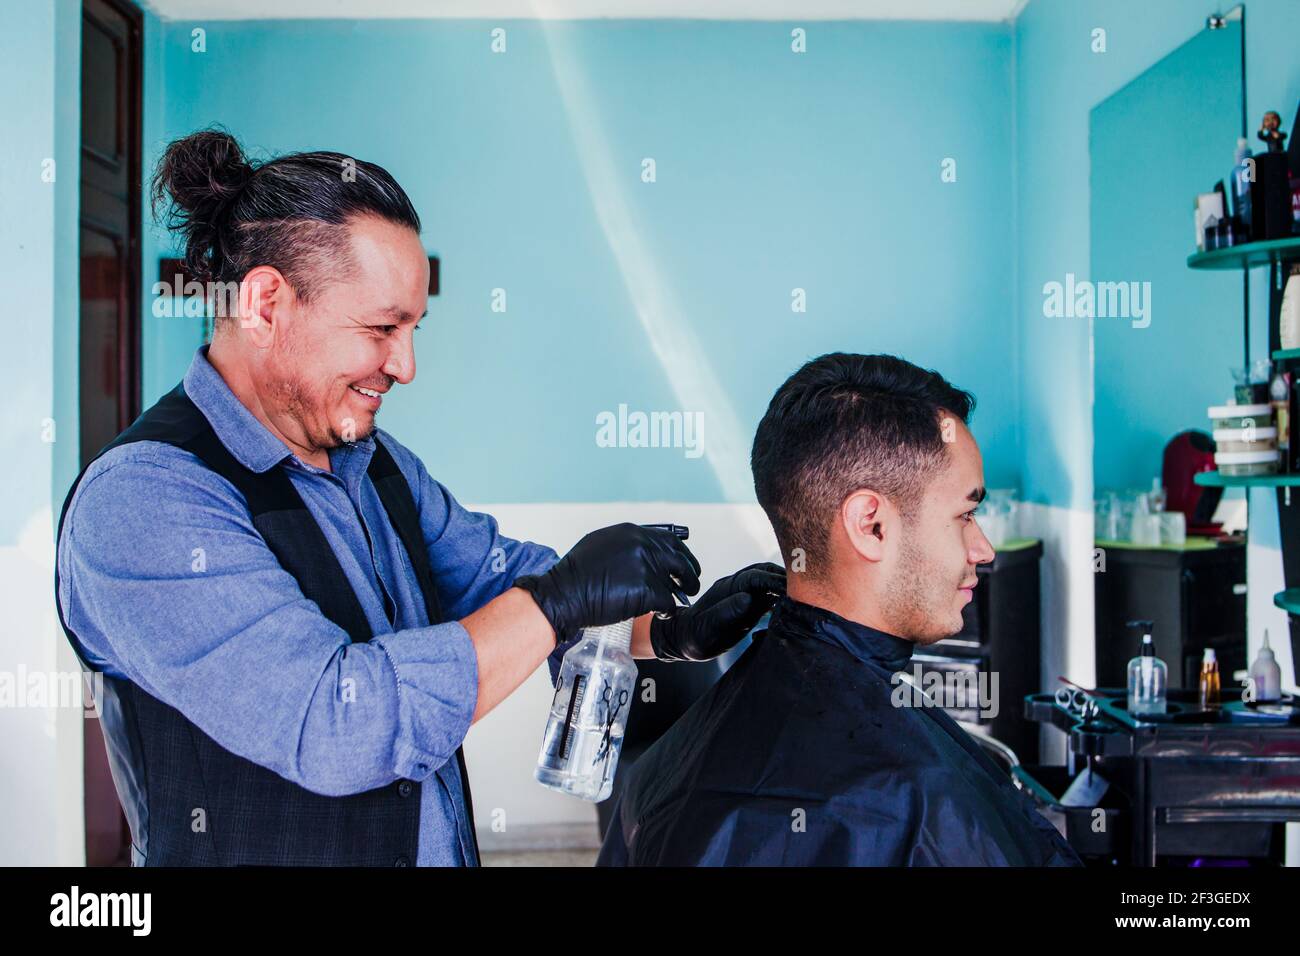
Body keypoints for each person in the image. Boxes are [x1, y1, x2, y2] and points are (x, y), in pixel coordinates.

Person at [55, 128, 782, 866]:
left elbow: (500, 583)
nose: (405, 366)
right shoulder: (146, 502)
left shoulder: (374, 464)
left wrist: (668, 632)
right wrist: (558, 599)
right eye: (381, 328)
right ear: (267, 304)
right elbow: (336, 725)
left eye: (413, 328)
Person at [597, 353, 1081, 866]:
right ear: (871, 525)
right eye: (965, 514)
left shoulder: (656, 776)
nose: (983, 549)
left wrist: (666, 636)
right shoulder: (922, 795)